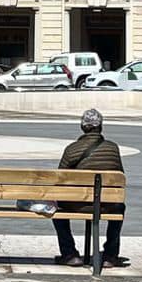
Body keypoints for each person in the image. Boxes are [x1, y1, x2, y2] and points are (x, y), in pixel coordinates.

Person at [52, 108, 127, 268]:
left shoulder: (72, 149)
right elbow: (120, 176)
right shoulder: (113, 148)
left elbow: (60, 179)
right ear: (100, 126)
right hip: (107, 204)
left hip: (77, 204)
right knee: (120, 207)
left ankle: (70, 254)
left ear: (83, 127)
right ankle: (110, 256)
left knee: (56, 208)